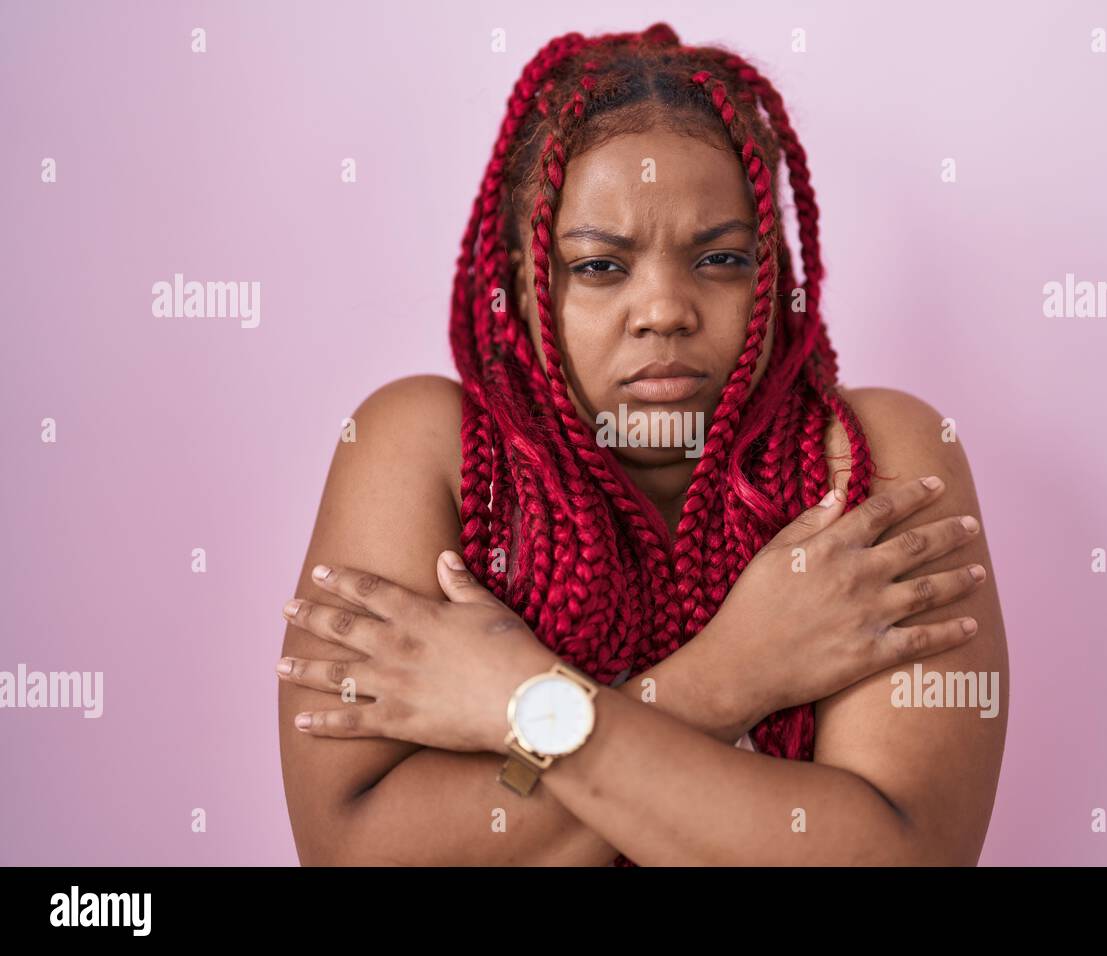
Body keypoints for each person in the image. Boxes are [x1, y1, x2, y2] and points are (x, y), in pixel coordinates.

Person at [277, 23, 1008, 866]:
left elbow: (895, 858)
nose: (664, 309)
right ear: (520, 277)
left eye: (722, 258)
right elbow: (355, 853)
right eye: (599, 266)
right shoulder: (429, 453)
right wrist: (734, 671)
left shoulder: (870, 457)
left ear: (774, 273)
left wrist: (508, 699)